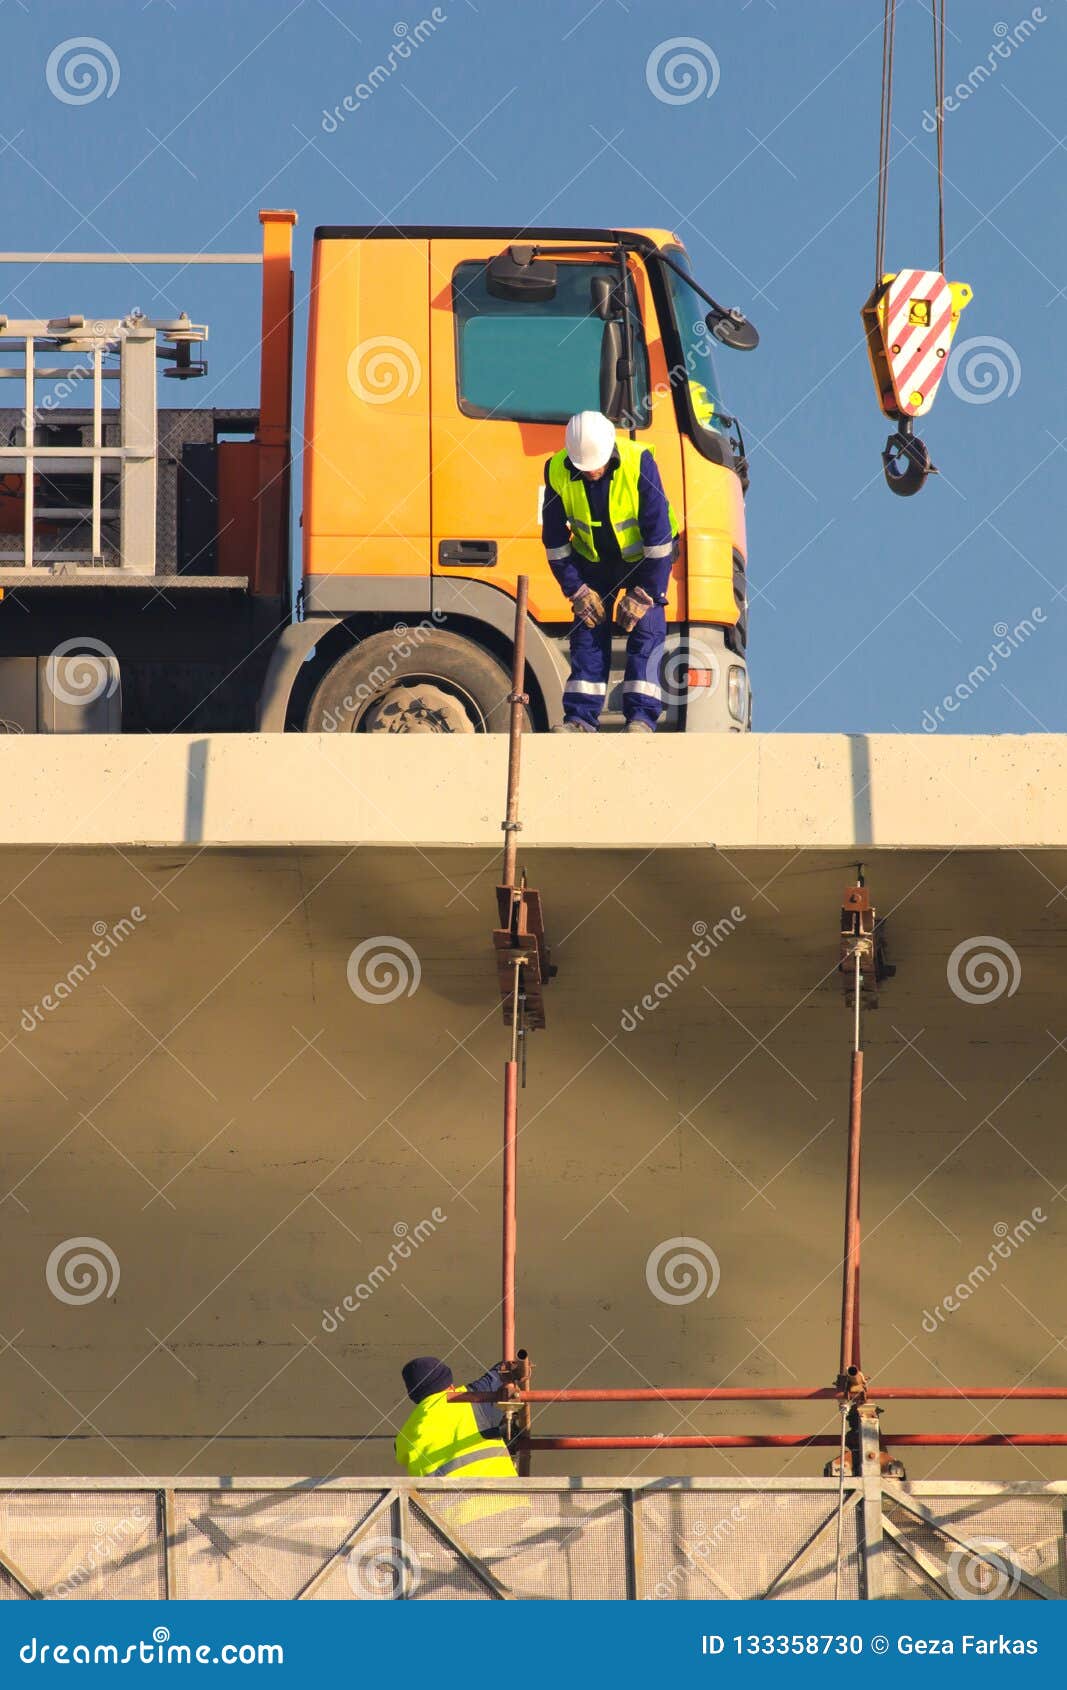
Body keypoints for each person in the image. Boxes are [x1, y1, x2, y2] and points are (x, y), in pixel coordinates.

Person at [542, 410, 680, 733]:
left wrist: (645, 593)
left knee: (648, 627)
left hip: (643, 562)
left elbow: (659, 541)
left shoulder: (639, 463)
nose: (592, 473)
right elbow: (555, 543)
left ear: (610, 450)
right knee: (587, 628)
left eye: (596, 466)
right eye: (584, 468)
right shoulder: (557, 472)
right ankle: (579, 720)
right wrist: (576, 590)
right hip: (594, 562)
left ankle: (641, 720)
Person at [394, 1355, 517, 1480]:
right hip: (501, 1498)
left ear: (414, 1395)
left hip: (439, 1500)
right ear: (450, 1385)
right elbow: (506, 1370)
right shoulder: (467, 1400)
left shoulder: (404, 1437)